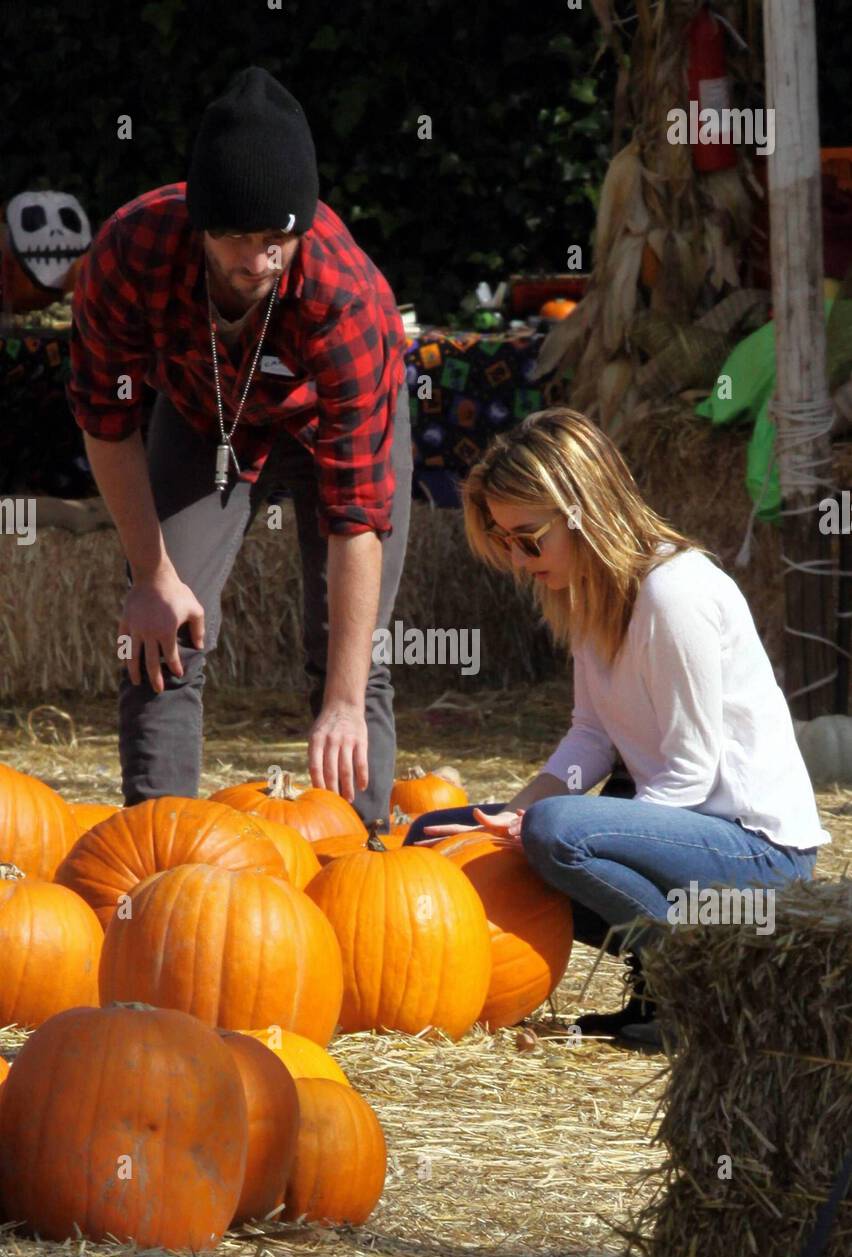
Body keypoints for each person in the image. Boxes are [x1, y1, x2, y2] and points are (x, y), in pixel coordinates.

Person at [402, 407, 828, 1049]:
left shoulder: (673, 592)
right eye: (506, 542)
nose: (519, 561)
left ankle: (699, 977)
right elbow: (589, 739)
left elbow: (690, 773)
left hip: (757, 854)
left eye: (528, 538)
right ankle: (666, 983)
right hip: (685, 835)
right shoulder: (589, 596)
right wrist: (509, 819)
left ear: (580, 509)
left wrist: (548, 829)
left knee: (556, 834)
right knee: (437, 833)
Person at [67, 66, 412, 830]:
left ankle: (356, 855)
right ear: (198, 225)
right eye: (232, 238)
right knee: (164, 634)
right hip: (201, 414)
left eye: (274, 239)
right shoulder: (129, 255)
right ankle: (159, 866)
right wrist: (152, 575)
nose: (254, 261)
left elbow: (357, 516)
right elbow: (107, 420)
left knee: (350, 661)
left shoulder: (346, 297)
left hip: (327, 426)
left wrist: (344, 705)